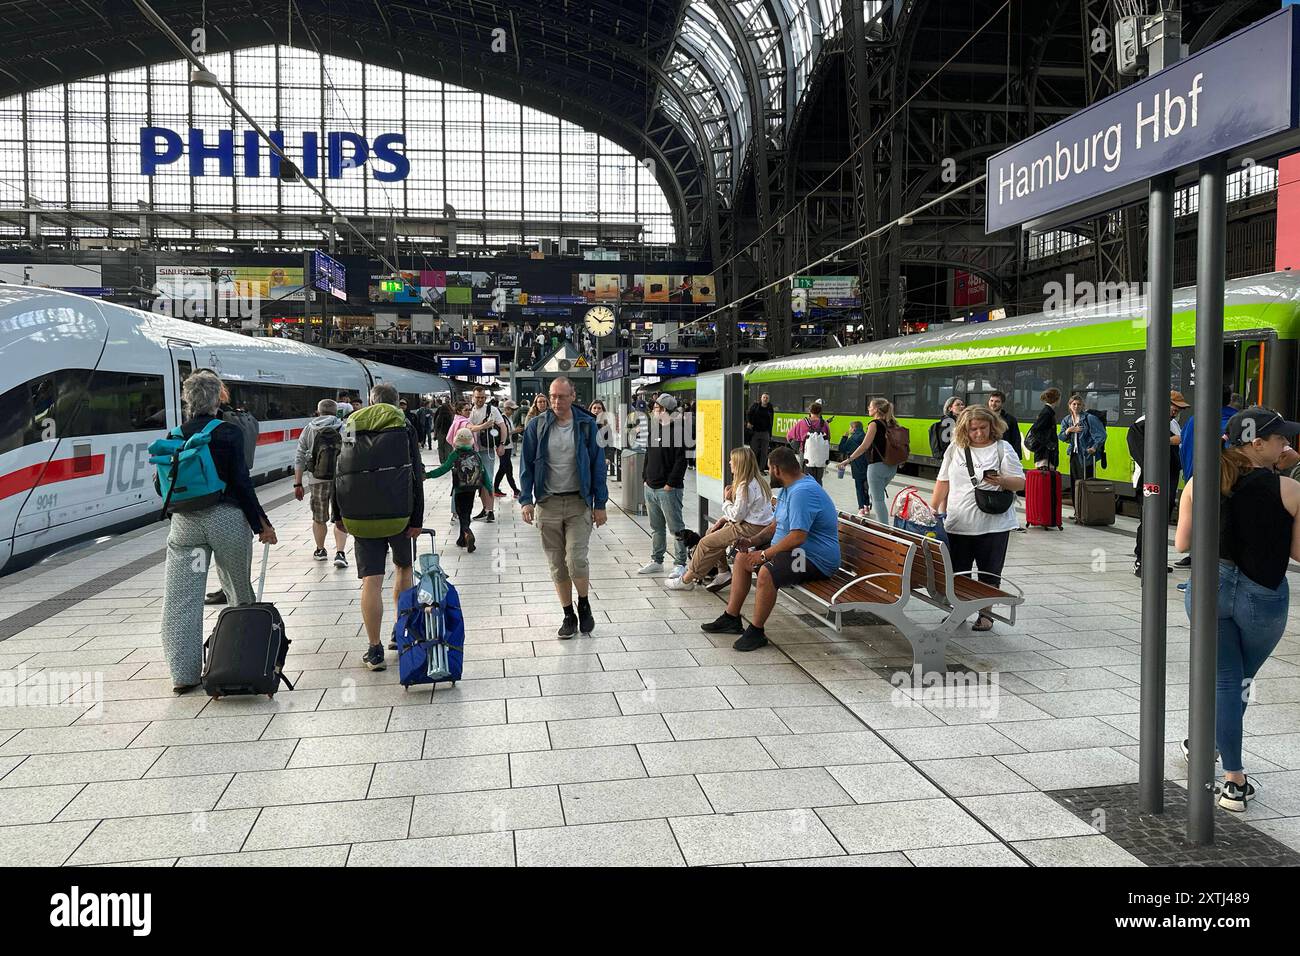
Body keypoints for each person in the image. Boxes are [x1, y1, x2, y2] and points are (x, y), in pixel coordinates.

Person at [1175, 407, 1300, 812]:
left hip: (1209, 588)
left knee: (1228, 681)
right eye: (1280, 439)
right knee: (1238, 681)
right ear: (1257, 444)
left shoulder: (1201, 481)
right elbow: (1298, 553)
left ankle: (1215, 754)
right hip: (1262, 598)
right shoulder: (1289, 490)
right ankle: (1234, 777)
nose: (1288, 445)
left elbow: (1181, 545)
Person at [161, 371, 277, 694]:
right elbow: (241, 483)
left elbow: (162, 484)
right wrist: (261, 524)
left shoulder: (174, 435)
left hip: (185, 525)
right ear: (218, 398)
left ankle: (184, 675)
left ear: (187, 400)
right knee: (238, 590)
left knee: (182, 599)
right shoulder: (228, 432)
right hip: (226, 520)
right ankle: (245, 661)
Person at [701, 445, 841, 651]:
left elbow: (797, 537)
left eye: (768, 468)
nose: (767, 473)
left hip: (814, 559)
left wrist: (764, 554)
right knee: (742, 558)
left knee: (767, 572)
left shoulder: (802, 493)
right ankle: (731, 618)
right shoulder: (788, 489)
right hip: (795, 552)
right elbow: (776, 525)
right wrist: (752, 542)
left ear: (776, 469)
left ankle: (757, 632)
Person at [332, 382, 424, 671]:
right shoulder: (404, 425)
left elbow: (340, 471)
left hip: (359, 515)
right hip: (399, 513)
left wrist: (339, 515)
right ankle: (400, 633)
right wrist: (416, 518)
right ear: (396, 402)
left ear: (371, 401)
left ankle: (374, 650)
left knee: (371, 581)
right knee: (403, 569)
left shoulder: (349, 424)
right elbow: (415, 473)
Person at [519, 376, 609, 639]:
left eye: (562, 396)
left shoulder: (587, 426)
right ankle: (568, 614)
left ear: (572, 397)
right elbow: (526, 465)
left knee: (576, 559)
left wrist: (600, 503)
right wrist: (526, 500)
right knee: (557, 564)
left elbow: (597, 465)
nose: (556, 401)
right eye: (553, 396)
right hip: (547, 503)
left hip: (578, 502)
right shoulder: (536, 426)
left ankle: (584, 603)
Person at [929, 406, 1026, 632]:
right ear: (964, 429)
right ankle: (959, 612)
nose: (979, 433)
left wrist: (1002, 481)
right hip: (958, 521)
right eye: (973, 429)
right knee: (958, 571)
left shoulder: (1003, 448)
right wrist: (932, 509)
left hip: (994, 523)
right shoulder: (955, 449)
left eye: (983, 428)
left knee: (989, 571)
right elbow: (943, 481)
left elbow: (1020, 482)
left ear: (993, 425)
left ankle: (986, 615)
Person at [667, 446, 774, 592]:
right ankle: (723, 572)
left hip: (750, 528)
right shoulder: (758, 481)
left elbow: (737, 515)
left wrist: (726, 501)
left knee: (705, 542)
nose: (729, 463)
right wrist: (724, 519)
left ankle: (686, 579)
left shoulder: (745, 486)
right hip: (756, 525)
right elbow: (746, 512)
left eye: (732, 461)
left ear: (739, 464)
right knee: (712, 531)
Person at [1128, 390, 1189, 577]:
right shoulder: (1142, 423)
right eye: (1174, 407)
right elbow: (1141, 453)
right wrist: (1170, 441)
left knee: (1162, 520)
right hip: (1149, 480)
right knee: (1147, 520)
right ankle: (1142, 560)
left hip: (1169, 479)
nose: (1176, 411)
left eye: (1179, 408)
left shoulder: (1174, 424)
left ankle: (1157, 560)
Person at [293, 399, 349, 569]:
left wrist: (298, 483)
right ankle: (340, 553)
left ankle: (321, 550)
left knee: (319, 517)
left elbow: (299, 456)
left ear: (318, 412)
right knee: (340, 517)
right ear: (336, 412)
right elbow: (354, 450)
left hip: (317, 479)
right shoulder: (346, 426)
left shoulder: (309, 428)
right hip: (341, 478)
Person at [639, 393, 689, 577]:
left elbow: (681, 461)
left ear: (665, 410)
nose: (653, 410)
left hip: (668, 489)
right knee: (656, 527)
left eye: (656, 408)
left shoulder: (679, 431)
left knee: (675, 527)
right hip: (650, 487)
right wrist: (645, 477)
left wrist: (670, 484)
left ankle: (680, 563)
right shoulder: (655, 428)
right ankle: (657, 560)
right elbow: (648, 454)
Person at [426, 426, 492, 551]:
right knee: (467, 512)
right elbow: (484, 473)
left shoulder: (455, 454)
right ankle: (462, 539)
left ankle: (467, 532)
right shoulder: (476, 454)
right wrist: (489, 488)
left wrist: (427, 475)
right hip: (472, 489)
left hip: (459, 489)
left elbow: (443, 469)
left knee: (462, 514)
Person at [837, 397, 898, 522]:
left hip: (877, 466)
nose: (868, 408)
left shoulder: (874, 424)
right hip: (892, 466)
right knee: (875, 494)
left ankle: (884, 530)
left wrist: (848, 460)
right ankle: (884, 526)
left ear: (876, 409)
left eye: (870, 406)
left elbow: (864, 446)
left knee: (878, 500)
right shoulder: (893, 423)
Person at [1180, 385, 1237, 482]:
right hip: (1224, 486)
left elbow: (1184, 449)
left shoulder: (1193, 421)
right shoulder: (1237, 422)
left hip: (1192, 483)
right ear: (1229, 399)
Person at [468, 386, 507, 523]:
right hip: (472, 450)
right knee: (479, 481)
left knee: (487, 480)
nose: (480, 400)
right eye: (477, 397)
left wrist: (501, 444)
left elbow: (502, 426)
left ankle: (490, 511)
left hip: (487, 449)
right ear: (473, 397)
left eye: (482, 397)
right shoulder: (470, 411)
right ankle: (486, 509)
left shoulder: (492, 410)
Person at [1059, 393, 1106, 486]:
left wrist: (1094, 447)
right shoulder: (1067, 420)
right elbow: (1061, 437)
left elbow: (1101, 435)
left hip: (1086, 454)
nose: (1076, 406)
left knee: (1086, 481)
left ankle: (1085, 501)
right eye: (1074, 404)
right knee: (1074, 481)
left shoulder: (1090, 418)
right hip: (1073, 454)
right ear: (1070, 405)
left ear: (1083, 406)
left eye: (1079, 404)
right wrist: (1069, 430)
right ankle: (1076, 500)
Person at [785, 402, 832, 483]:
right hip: (821, 456)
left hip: (805, 455)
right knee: (818, 479)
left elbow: (789, 436)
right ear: (820, 412)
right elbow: (828, 438)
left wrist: (797, 446)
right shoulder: (824, 424)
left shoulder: (802, 422)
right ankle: (817, 493)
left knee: (805, 478)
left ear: (809, 410)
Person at [838, 420, 870, 516]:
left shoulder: (852, 439)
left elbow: (842, 448)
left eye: (850, 427)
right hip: (868, 465)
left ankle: (861, 509)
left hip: (857, 465)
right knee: (866, 487)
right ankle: (867, 506)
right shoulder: (866, 436)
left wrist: (844, 437)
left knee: (859, 487)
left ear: (854, 428)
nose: (849, 429)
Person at [1025, 387, 1060, 469]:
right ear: (1057, 399)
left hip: (1045, 455)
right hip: (1044, 455)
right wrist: (1049, 444)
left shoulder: (1047, 412)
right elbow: (1035, 430)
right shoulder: (1047, 413)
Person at [986, 390, 1022, 458]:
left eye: (997, 401)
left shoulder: (1011, 419)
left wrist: (1016, 457)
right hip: (987, 454)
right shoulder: (982, 418)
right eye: (991, 400)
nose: (993, 404)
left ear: (1002, 403)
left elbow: (1016, 439)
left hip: (1004, 455)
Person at [747, 392, 775, 473]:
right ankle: (752, 470)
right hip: (755, 432)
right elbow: (749, 413)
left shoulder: (770, 408)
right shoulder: (755, 406)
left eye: (767, 398)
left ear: (768, 400)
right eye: (764, 397)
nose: (765, 399)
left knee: (764, 452)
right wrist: (749, 422)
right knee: (753, 452)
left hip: (765, 432)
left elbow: (771, 421)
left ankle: (761, 469)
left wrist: (770, 433)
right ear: (761, 398)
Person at [590, 399, 618, 478]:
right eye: (594, 408)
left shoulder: (606, 427)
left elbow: (610, 444)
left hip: (601, 461)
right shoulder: (586, 425)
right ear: (590, 409)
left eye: (599, 408)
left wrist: (608, 458)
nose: (596, 410)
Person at [432, 398, 454, 464]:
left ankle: (442, 461)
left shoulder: (439, 416)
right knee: (448, 448)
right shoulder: (451, 416)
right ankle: (448, 462)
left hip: (441, 434)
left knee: (441, 448)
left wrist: (435, 435)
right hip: (449, 433)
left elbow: (436, 426)